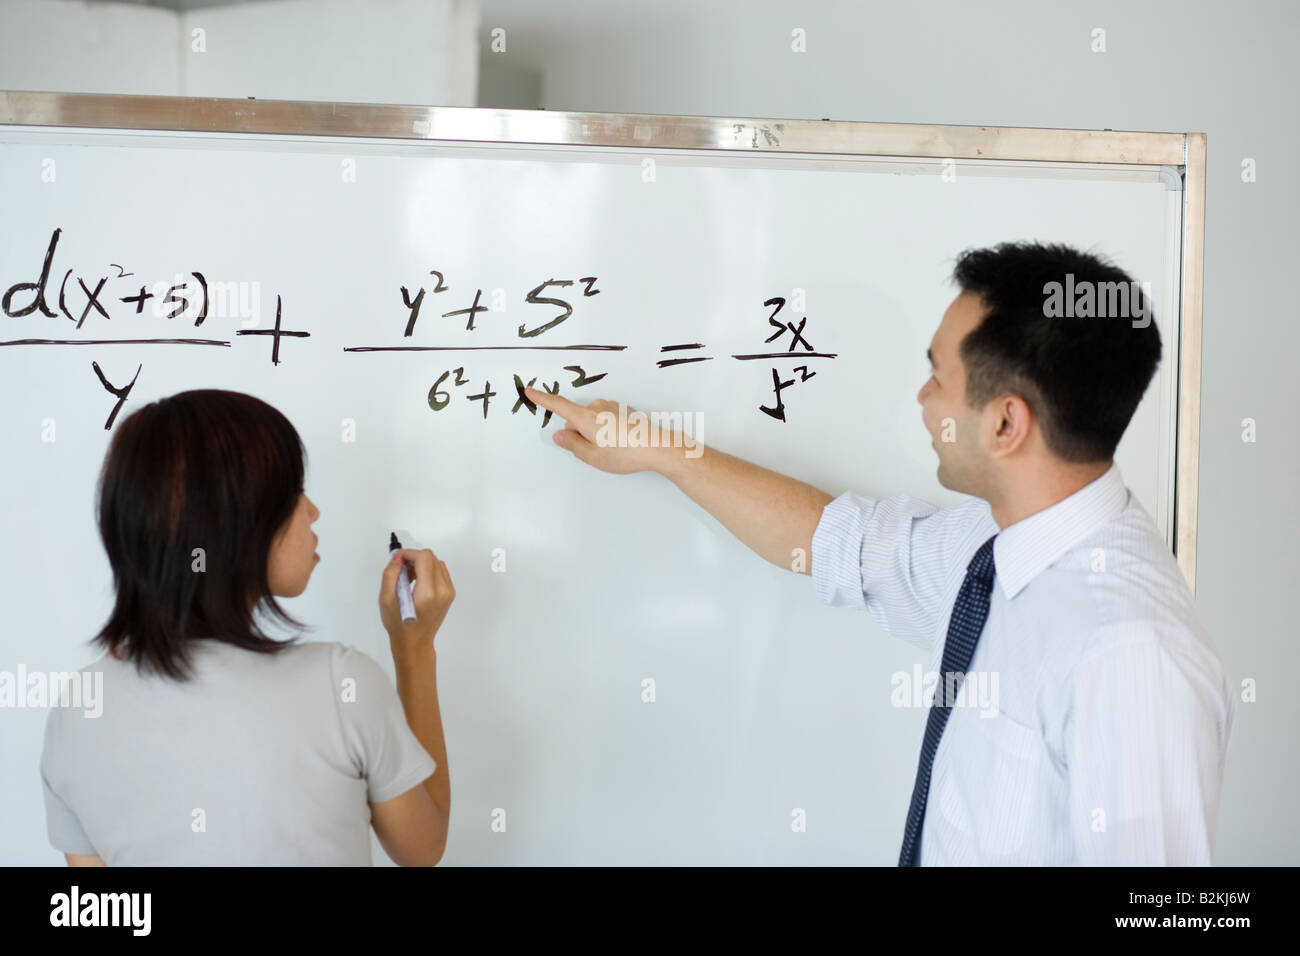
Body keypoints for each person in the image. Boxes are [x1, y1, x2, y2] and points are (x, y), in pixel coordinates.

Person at [524, 240, 1235, 866]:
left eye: (939, 378)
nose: (923, 399)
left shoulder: (1129, 652)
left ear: (1006, 423)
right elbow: (841, 544)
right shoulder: (996, 549)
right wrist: (662, 450)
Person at [40, 389, 455, 865]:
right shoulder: (342, 686)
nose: (313, 512)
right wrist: (415, 649)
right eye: (293, 492)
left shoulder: (76, 714)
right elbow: (423, 849)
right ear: (237, 519)